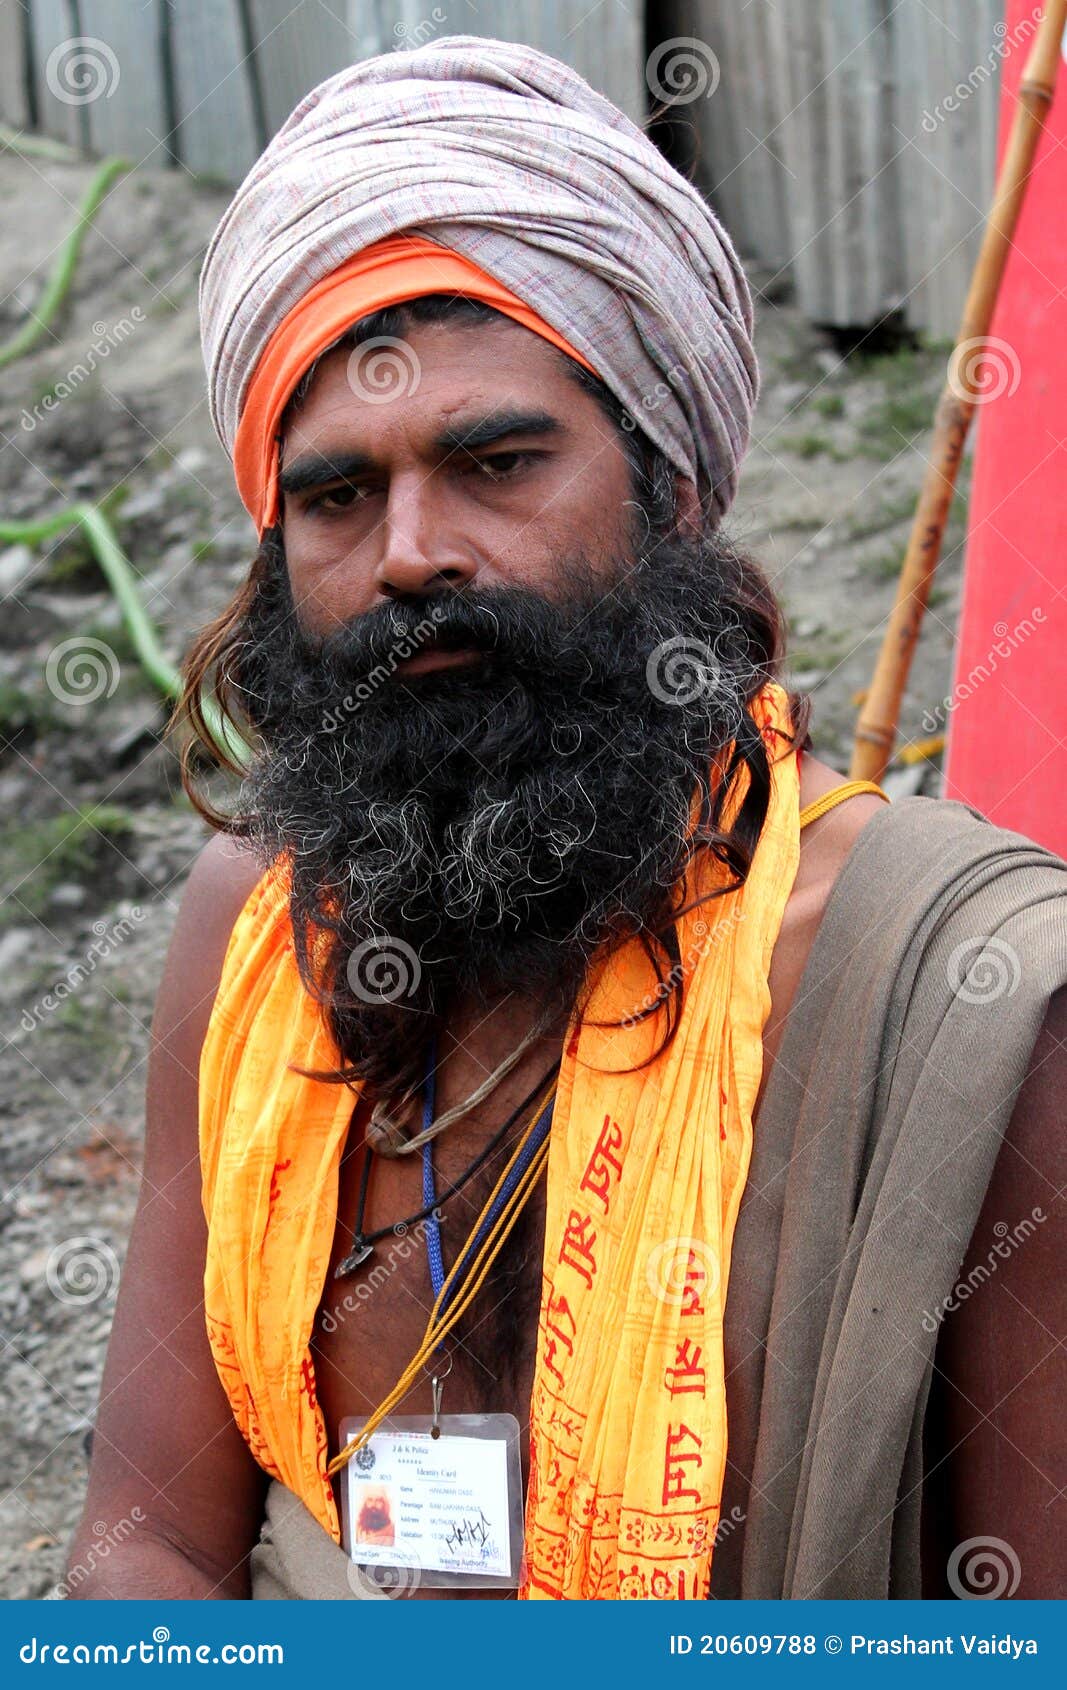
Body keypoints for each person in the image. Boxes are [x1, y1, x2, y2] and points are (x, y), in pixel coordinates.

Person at [66, 37, 1067, 1602]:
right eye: (336, 496)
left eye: (495, 461)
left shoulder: (957, 1000)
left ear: (671, 489)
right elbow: (147, 1538)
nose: (412, 553)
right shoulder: (254, 932)